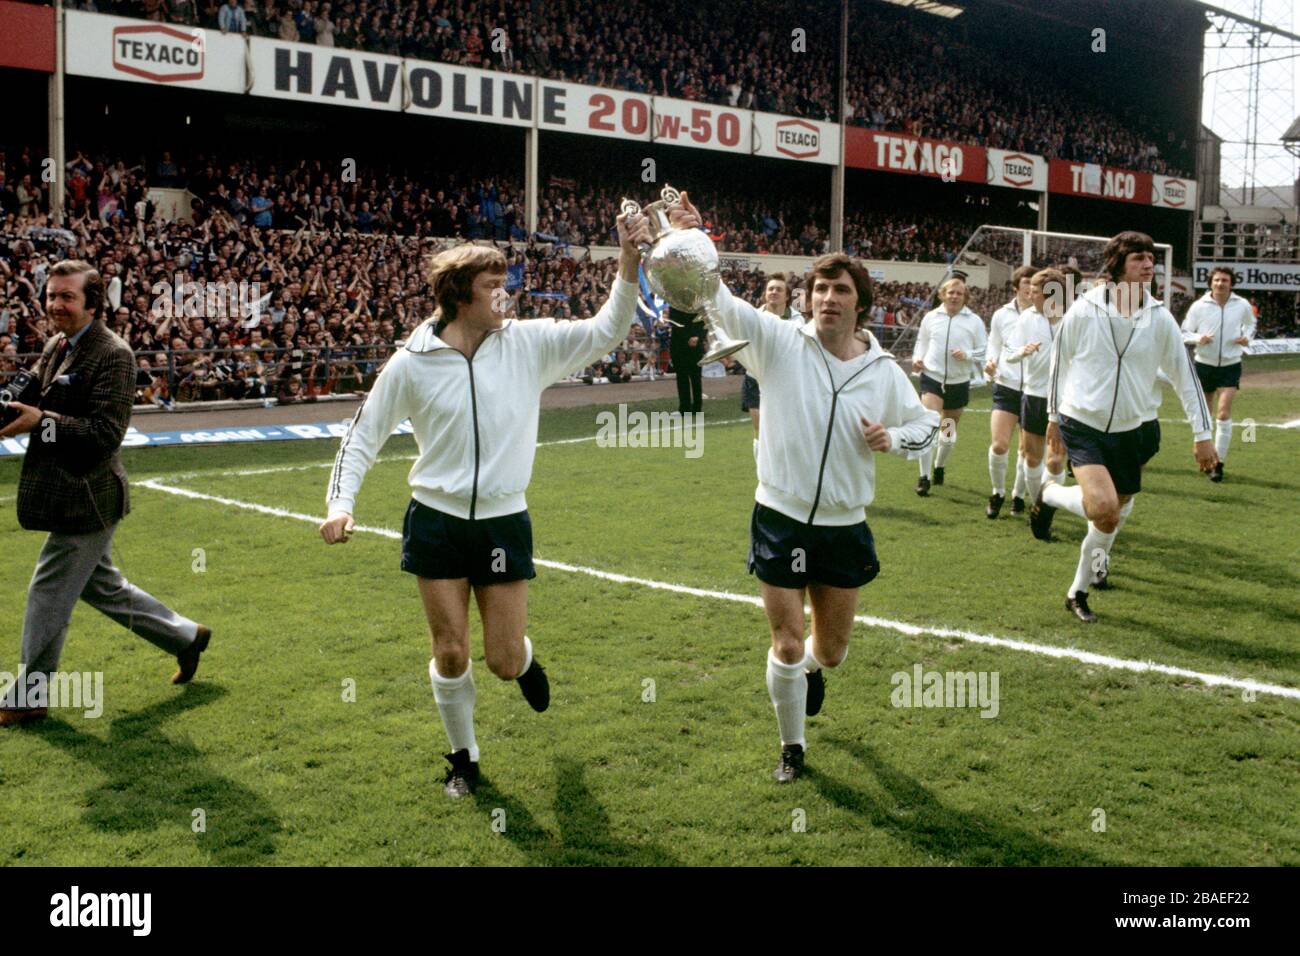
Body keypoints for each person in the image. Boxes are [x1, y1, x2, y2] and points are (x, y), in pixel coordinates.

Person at [320, 208, 653, 799]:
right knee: (450, 651)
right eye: (492, 287)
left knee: (500, 658)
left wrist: (627, 263)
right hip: (436, 521)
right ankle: (463, 758)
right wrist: (340, 503)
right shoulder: (412, 361)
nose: (506, 296)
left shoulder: (527, 343)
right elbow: (363, 434)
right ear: (458, 297)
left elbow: (606, 331)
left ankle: (525, 665)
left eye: (506, 283)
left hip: (503, 522)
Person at [680, 197, 939, 783]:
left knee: (831, 651)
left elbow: (930, 427)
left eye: (840, 290)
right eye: (818, 290)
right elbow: (721, 300)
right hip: (779, 515)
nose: (828, 299)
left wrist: (893, 439)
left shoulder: (883, 371)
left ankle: (814, 674)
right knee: (788, 643)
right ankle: (791, 747)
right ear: (806, 301)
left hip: (845, 525)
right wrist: (697, 238)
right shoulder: (777, 344)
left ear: (861, 303)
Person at [0, 260, 212, 727]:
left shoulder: (114, 354)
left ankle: (28, 697)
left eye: (67, 296)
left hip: (89, 496)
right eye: (52, 295)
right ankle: (186, 637)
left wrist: (42, 423)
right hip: (63, 491)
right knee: (105, 588)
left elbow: (104, 434)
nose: (56, 304)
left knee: (48, 589)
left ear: (93, 304)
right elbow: (31, 390)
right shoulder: (57, 344)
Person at [1032, 232, 1215, 623]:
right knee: (1104, 508)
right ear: (1117, 265)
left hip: (1136, 430)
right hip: (1084, 423)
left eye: (1151, 258)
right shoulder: (1082, 311)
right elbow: (1058, 363)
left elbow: (1186, 378)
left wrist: (1203, 435)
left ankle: (1054, 502)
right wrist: (1052, 417)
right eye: (1138, 258)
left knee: (1119, 509)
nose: (1149, 264)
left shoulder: (1161, 318)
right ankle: (1076, 592)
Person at [910, 276, 987, 496]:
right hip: (932, 377)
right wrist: (918, 358)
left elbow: (985, 350)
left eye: (959, 293)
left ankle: (939, 466)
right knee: (928, 424)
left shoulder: (974, 321)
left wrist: (968, 355)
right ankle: (923, 476)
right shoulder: (931, 317)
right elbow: (922, 343)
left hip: (958, 382)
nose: (954, 296)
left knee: (948, 430)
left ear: (965, 297)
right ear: (943, 294)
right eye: (951, 292)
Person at [1181, 266, 1255, 482]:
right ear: (1210, 283)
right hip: (1204, 364)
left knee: (1223, 414)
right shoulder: (1199, 306)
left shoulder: (1242, 305)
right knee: (1204, 416)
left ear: (1231, 283)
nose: (1220, 284)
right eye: (1216, 280)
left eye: (1224, 280)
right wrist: (1198, 339)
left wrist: (1246, 337)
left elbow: (1251, 325)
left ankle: (1218, 463)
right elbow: (1185, 332)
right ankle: (1206, 456)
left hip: (1231, 365)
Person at [1001, 268, 1066, 512]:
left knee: (1056, 461)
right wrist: (1022, 352)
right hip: (1033, 397)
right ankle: (1033, 504)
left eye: (1036, 291)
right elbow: (1008, 354)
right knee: (1030, 457)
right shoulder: (1027, 318)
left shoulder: (1073, 318)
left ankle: (1047, 509)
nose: (1030, 294)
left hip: (1064, 401)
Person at [983, 265, 1034, 518]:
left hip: (1034, 391)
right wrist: (989, 364)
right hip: (1005, 386)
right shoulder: (1001, 315)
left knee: (1026, 450)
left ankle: (1018, 495)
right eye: (1026, 282)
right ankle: (997, 492)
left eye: (1034, 283)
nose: (1030, 287)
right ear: (1016, 287)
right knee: (999, 444)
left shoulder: (1048, 315)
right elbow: (993, 346)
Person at [740, 274, 804, 460]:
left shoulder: (797, 321)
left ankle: (784, 465)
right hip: (755, 378)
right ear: (765, 294)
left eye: (779, 289)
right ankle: (763, 472)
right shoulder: (754, 316)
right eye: (771, 289)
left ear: (787, 296)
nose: (774, 292)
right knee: (759, 427)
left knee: (782, 429)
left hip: (783, 381)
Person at [668, 306, 706, 414]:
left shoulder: (695, 303)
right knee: (684, 377)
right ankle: (687, 407)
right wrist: (696, 337)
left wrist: (697, 337)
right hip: (680, 345)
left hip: (685, 344)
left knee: (693, 377)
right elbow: (674, 323)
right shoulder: (676, 304)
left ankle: (693, 407)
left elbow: (705, 321)